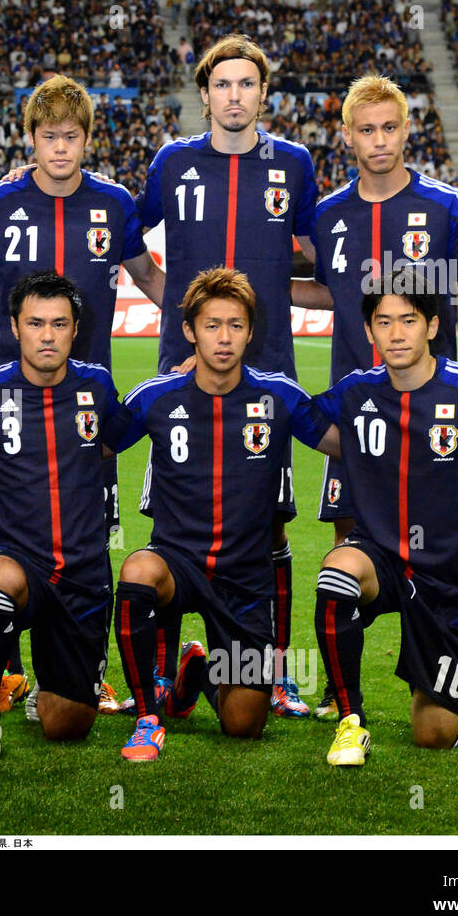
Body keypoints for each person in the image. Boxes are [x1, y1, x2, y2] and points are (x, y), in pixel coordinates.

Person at [0, 75, 166, 712]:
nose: (60, 147)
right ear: (30, 138)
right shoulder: (0, 202)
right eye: (48, 136)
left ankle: (79, 670)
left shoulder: (115, 203)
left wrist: (198, 321)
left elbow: (148, 275)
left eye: (71, 136)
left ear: (87, 139)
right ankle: (5, 673)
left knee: (89, 534)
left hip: (85, 403)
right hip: (7, 402)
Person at [137, 34, 320, 718]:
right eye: (223, 85)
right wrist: (169, 304)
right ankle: (160, 670)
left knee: (270, 525)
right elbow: (125, 234)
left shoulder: (294, 166)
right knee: (168, 526)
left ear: (262, 95)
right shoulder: (173, 162)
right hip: (182, 378)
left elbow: (322, 252)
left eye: (247, 85)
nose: (234, 95)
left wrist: (276, 293)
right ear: (205, 93)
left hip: (266, 381)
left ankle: (270, 671)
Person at [304, 73, 458, 720]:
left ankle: (451, 665)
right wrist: (265, 290)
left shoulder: (447, 208)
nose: (379, 141)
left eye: (390, 128)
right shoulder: (327, 215)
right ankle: (339, 687)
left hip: (433, 412)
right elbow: (331, 293)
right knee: (348, 538)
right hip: (356, 414)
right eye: (366, 129)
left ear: (408, 130)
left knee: (443, 543)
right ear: (347, 134)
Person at [112, 268, 340, 762]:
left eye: (235, 325)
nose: (224, 337)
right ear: (190, 331)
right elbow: (93, 448)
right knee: (137, 570)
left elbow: (342, 445)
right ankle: (149, 716)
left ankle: (195, 673)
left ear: (251, 332)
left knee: (244, 725)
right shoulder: (155, 396)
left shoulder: (278, 396)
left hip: (245, 577)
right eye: (212, 325)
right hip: (177, 563)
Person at [310, 271, 458, 766]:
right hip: (381, 557)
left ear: (432, 325)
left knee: (433, 734)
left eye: (408, 320)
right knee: (337, 575)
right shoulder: (355, 392)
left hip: (446, 579)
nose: (395, 333)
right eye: (383, 322)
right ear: (368, 332)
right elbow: (293, 415)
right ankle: (351, 721)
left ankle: (441, 688)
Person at [0, 271, 135, 760]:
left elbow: (110, 443)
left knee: (65, 728)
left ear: (75, 329)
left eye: (59, 323)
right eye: (35, 323)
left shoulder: (96, 385)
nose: (47, 335)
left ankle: (48, 689)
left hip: (83, 573)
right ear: (14, 327)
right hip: (16, 555)